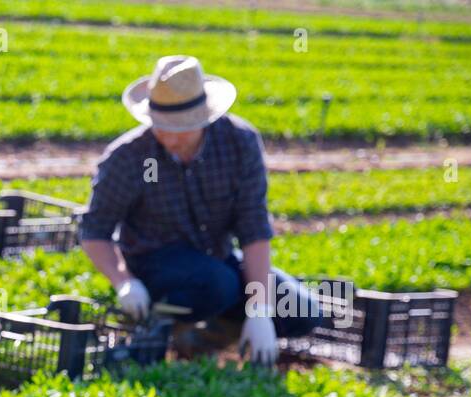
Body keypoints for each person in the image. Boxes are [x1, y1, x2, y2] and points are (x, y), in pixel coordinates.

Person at [79, 55, 324, 366]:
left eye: (180, 129)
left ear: (204, 118)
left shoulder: (239, 143)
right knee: (219, 284)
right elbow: (95, 230)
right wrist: (124, 281)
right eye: (161, 126)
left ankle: (207, 337)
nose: (168, 136)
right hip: (155, 266)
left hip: (217, 261)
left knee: (301, 310)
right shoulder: (128, 157)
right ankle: (162, 324)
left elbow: (253, 228)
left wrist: (259, 308)